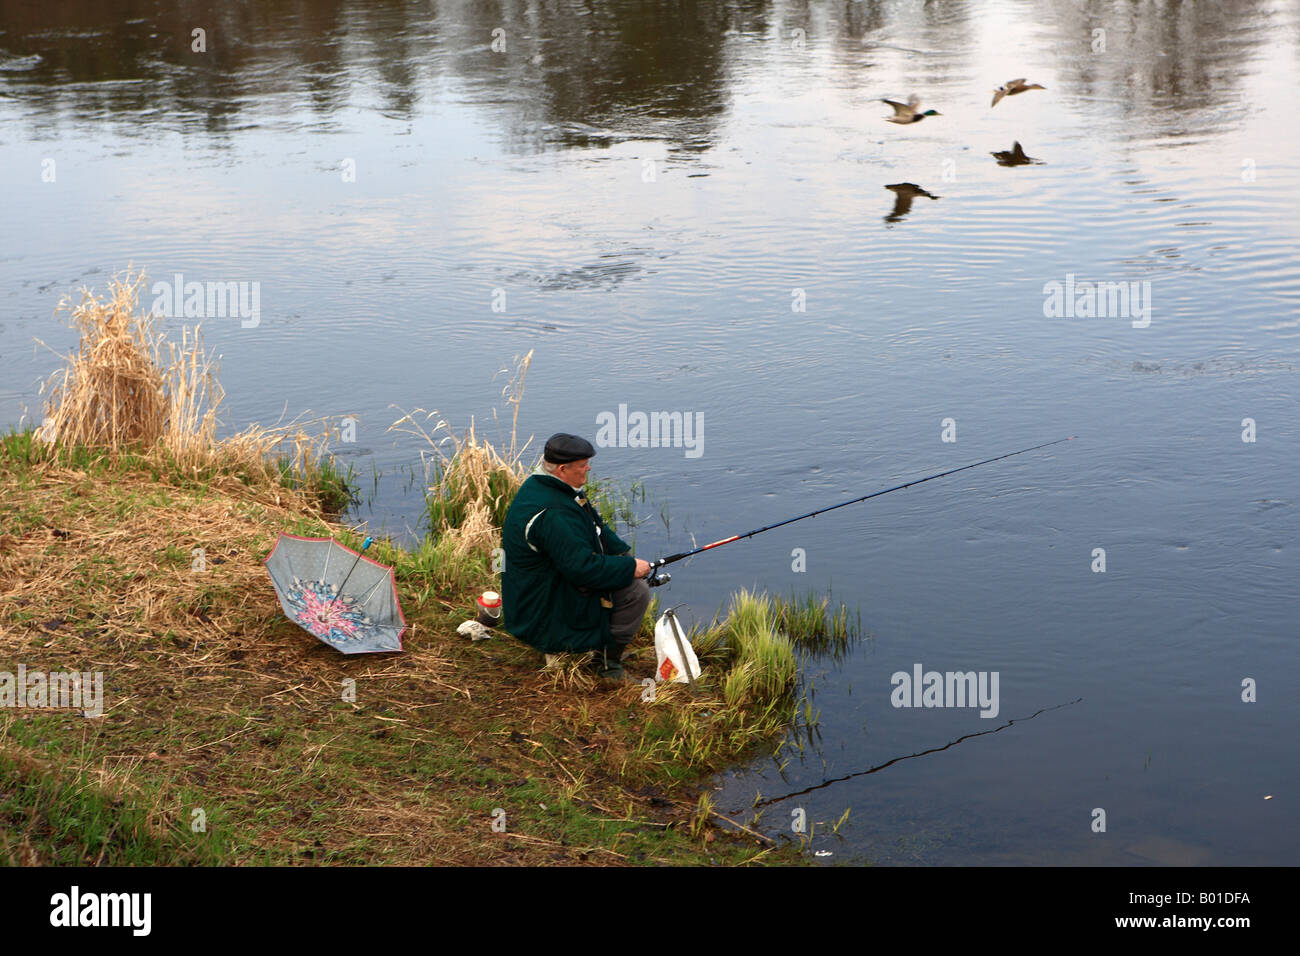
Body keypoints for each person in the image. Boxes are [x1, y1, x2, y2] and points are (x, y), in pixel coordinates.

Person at [501, 433, 651, 680]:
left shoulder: (547, 486)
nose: (588, 468)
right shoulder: (554, 514)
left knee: (624, 575)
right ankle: (606, 667)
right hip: (541, 612)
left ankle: (601, 646)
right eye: (583, 465)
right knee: (636, 593)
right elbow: (582, 568)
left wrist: (625, 555)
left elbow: (597, 528)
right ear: (562, 469)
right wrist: (628, 568)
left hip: (543, 584)